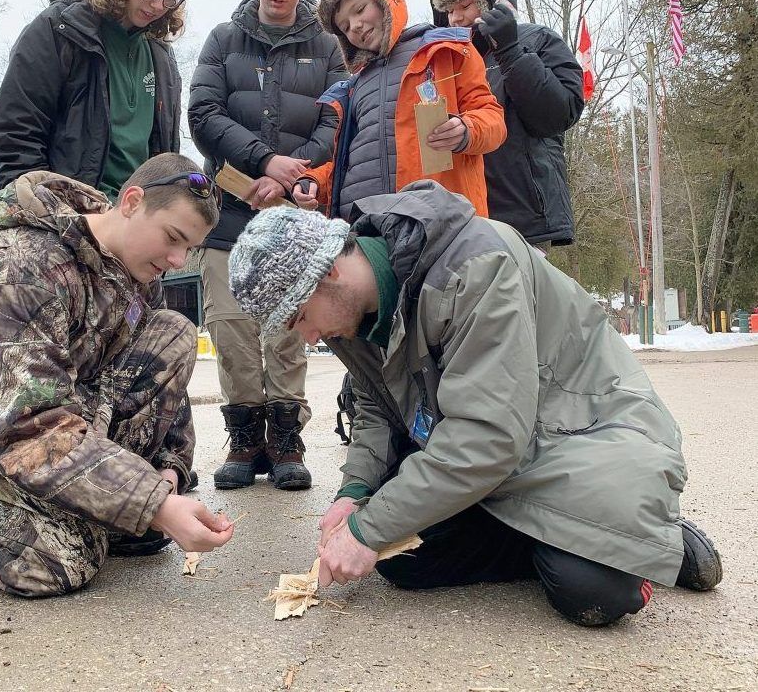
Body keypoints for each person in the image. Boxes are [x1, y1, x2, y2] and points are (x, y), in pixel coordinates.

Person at [226, 184, 723, 627]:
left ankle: (644, 540)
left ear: (329, 269)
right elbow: (377, 409)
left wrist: (369, 528)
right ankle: (578, 535)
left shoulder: (478, 265)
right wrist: (354, 492)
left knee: (592, 593)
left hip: (577, 437)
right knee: (404, 560)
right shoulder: (353, 312)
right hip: (496, 455)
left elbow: (487, 438)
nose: (310, 336)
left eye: (300, 317)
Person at [0, 153, 234, 597]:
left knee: (173, 333)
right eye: (173, 237)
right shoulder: (19, 270)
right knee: (62, 558)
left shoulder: (130, 270)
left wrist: (166, 473)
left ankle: (87, 509)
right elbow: (21, 426)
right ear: (131, 202)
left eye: (190, 248)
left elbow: (158, 388)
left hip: (52, 412)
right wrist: (149, 502)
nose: (177, 259)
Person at [188, 0, 345, 490]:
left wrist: (290, 173)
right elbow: (204, 116)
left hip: (295, 215)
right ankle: (244, 437)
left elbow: (335, 124)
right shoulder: (223, 40)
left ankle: (285, 439)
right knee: (230, 327)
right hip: (229, 210)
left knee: (286, 326)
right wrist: (262, 162)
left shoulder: (327, 48)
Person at [0, 0, 187, 197]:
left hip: (133, 219)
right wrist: (55, 210)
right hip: (63, 210)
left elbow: (164, 153)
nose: (157, 4)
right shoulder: (58, 31)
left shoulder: (162, 57)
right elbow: (13, 136)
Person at [300, 0, 506, 221]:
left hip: (439, 225)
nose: (355, 25)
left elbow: (493, 119)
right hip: (365, 228)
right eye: (344, 26)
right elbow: (353, 163)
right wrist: (316, 183)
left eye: (360, 9)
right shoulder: (353, 88)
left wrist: (466, 129)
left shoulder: (449, 50)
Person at [429, 0, 584, 247]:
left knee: (519, 295)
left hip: (523, 215)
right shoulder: (446, 63)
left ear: (492, 1)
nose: (456, 18)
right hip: (463, 216)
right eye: (448, 11)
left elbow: (558, 114)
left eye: (465, 5)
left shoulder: (538, 39)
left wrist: (510, 51)